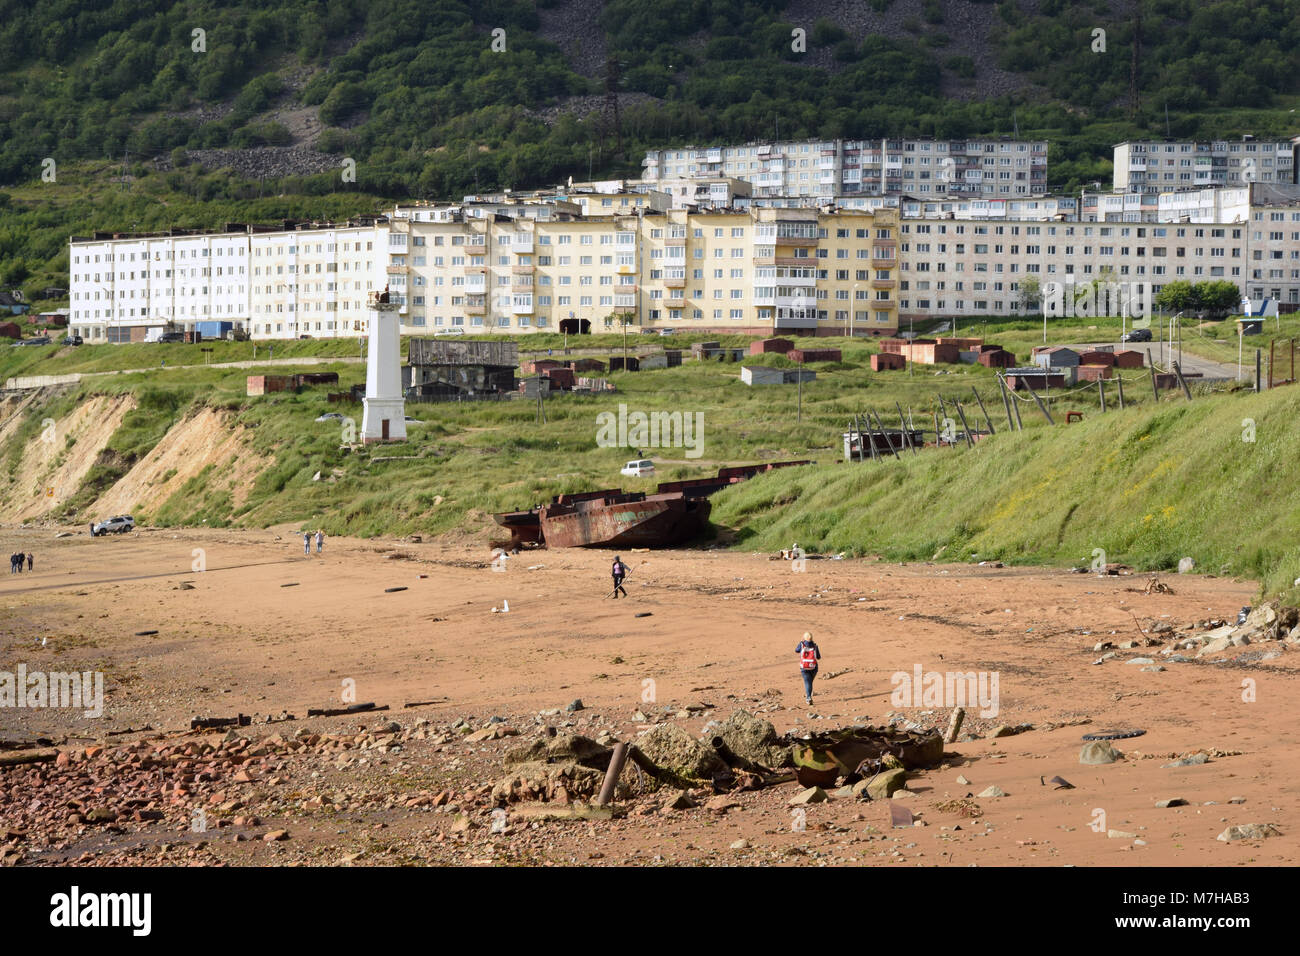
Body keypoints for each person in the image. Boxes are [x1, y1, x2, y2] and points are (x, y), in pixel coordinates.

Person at [795, 631, 821, 706]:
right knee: (809, 682)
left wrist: (801, 642)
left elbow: (796, 650)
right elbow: (819, 657)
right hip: (813, 667)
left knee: (808, 682)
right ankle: (808, 696)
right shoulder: (815, 646)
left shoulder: (801, 644)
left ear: (804, 638)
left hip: (804, 667)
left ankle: (808, 697)